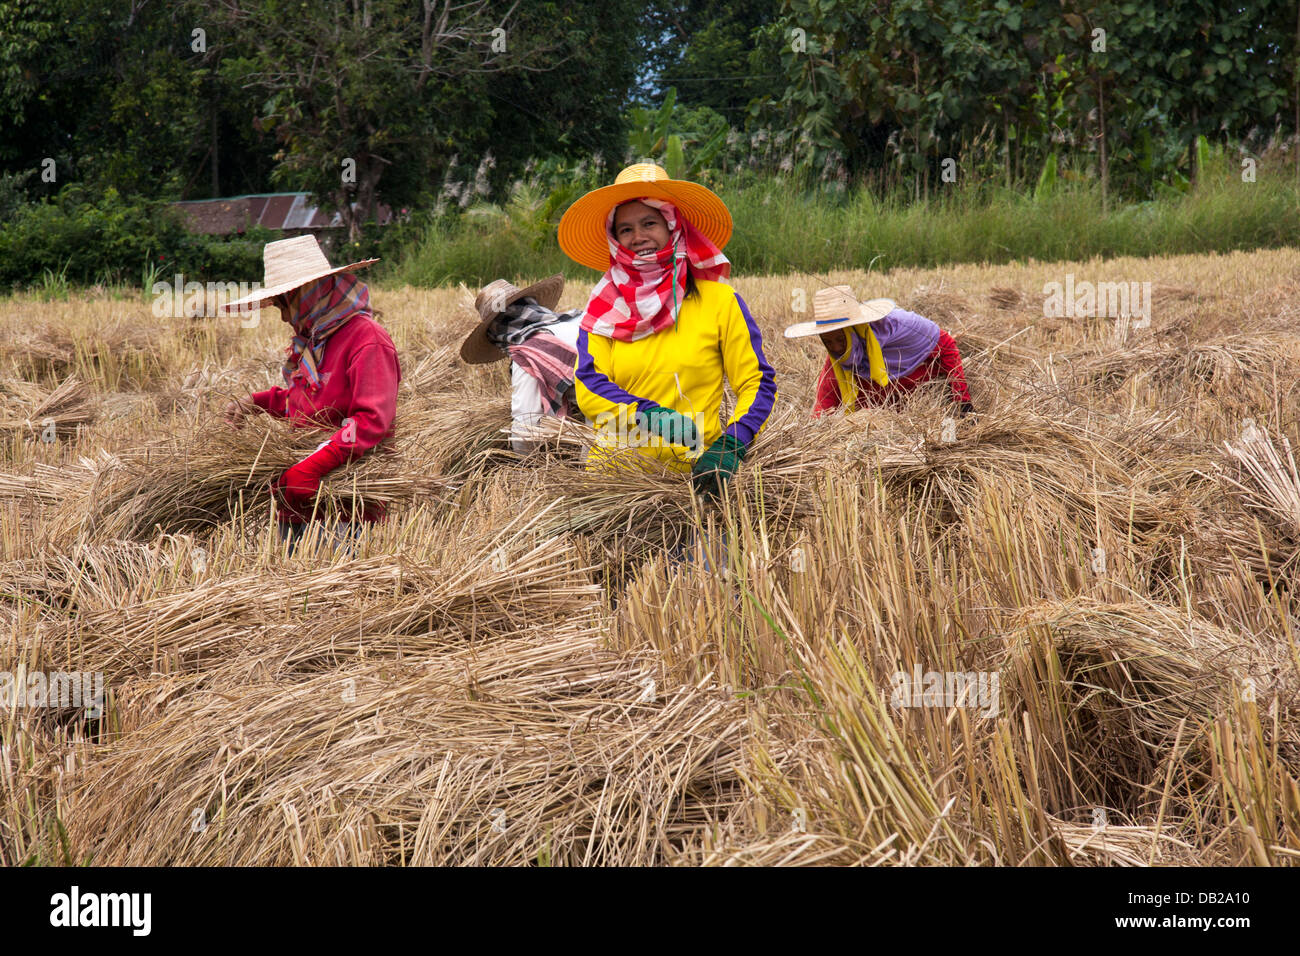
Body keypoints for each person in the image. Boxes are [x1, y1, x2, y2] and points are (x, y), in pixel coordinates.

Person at [557, 163, 777, 498]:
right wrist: (650, 416)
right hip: (616, 483)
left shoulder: (719, 301)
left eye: (649, 223)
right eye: (625, 229)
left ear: (673, 227)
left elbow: (756, 381)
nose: (639, 237)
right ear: (615, 240)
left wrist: (734, 442)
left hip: (697, 479)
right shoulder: (601, 310)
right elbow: (589, 387)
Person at [221, 235, 401, 548]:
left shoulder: (366, 339)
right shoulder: (315, 341)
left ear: (305, 294)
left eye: (282, 304)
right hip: (295, 504)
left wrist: (313, 466)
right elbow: (309, 403)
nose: (283, 317)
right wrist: (257, 403)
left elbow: (370, 421)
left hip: (346, 513)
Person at [784, 285, 973, 417]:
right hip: (880, 424)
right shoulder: (838, 361)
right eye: (827, 342)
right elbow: (824, 404)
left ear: (854, 331)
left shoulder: (899, 327)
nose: (835, 348)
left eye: (841, 340)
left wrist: (962, 400)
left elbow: (947, 346)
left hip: (920, 409)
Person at [460, 275, 583, 455]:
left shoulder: (529, 351)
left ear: (497, 334)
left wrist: (523, 467)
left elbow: (526, 427)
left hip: (615, 416)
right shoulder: (579, 318)